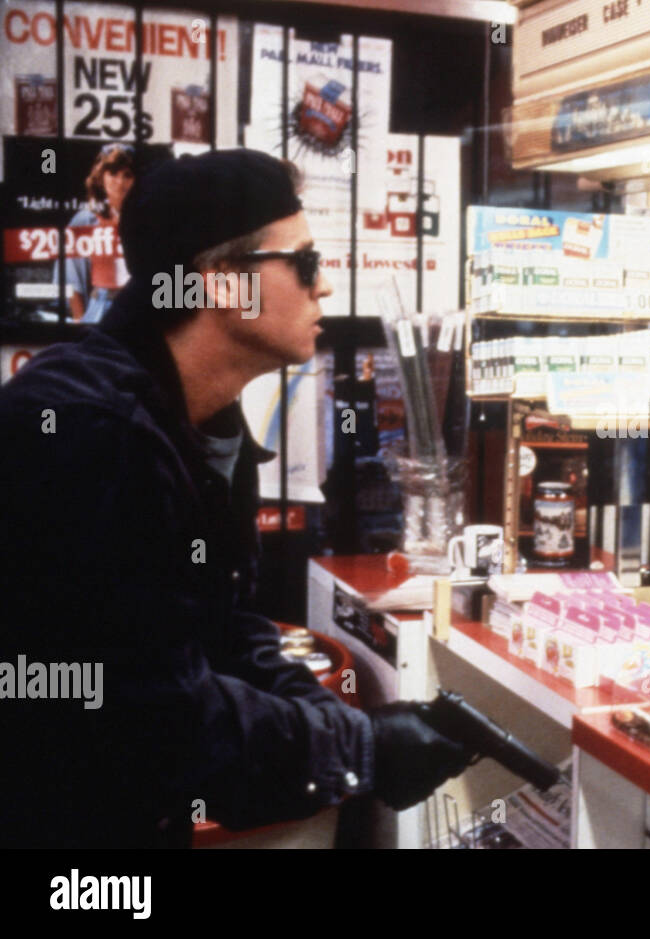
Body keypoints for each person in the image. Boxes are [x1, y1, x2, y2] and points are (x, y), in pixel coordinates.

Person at [0, 149, 467, 847]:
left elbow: (218, 625)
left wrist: (342, 726)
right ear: (224, 286)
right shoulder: (95, 434)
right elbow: (146, 713)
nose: (326, 287)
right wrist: (357, 749)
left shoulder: (203, 423)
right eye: (305, 264)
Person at [59, 142, 135, 323]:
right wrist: (79, 318)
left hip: (137, 306)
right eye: (113, 174)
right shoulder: (86, 220)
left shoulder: (146, 219)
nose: (120, 182)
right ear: (101, 178)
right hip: (101, 306)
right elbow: (71, 277)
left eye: (127, 175)